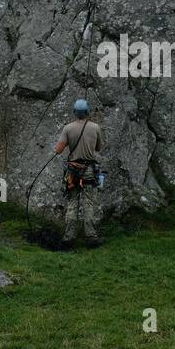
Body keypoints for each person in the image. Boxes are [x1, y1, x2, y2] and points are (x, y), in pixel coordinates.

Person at [53, 98, 103, 247]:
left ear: (75, 112)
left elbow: (59, 150)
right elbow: (98, 148)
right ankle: (91, 238)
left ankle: (69, 238)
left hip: (73, 171)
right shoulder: (95, 127)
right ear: (87, 112)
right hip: (88, 170)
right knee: (88, 203)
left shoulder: (67, 128)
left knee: (73, 202)